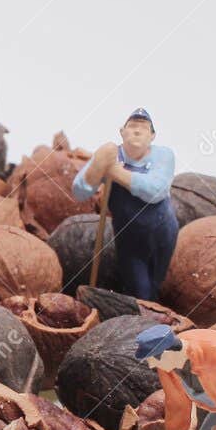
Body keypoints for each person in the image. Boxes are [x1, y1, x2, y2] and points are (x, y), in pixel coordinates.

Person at [70, 107, 177, 301]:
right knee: (140, 290)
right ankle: (138, 323)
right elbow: (79, 191)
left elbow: (156, 190)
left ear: (152, 136)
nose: (137, 131)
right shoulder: (108, 155)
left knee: (156, 284)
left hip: (162, 232)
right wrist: (95, 169)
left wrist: (116, 172)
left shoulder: (164, 155)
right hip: (128, 236)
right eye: (132, 126)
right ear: (122, 131)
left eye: (143, 128)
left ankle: (154, 314)